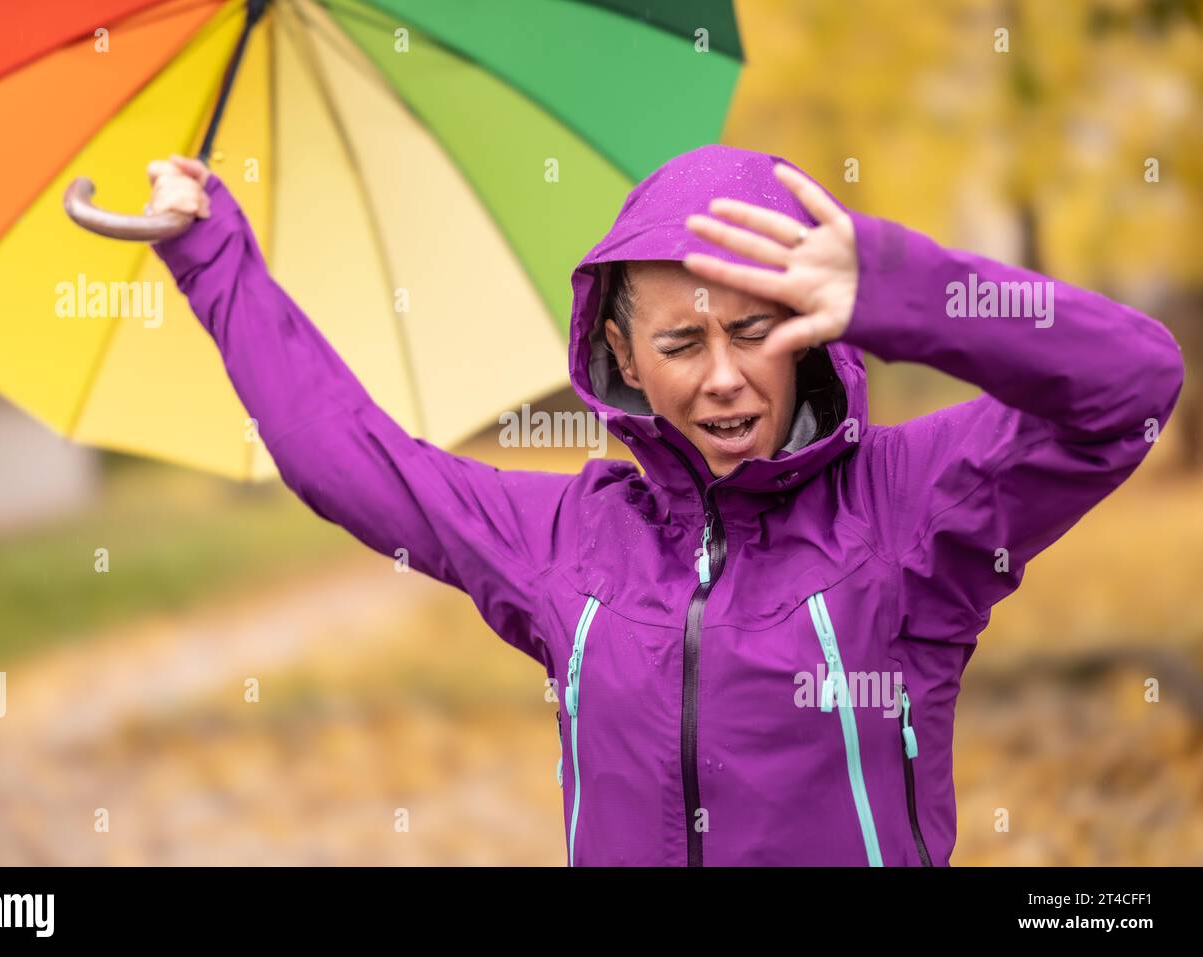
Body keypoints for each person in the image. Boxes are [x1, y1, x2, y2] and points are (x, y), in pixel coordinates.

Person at [147, 144, 1184, 866]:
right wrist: (210, 256)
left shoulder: (913, 508)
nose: (725, 376)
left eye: (758, 330)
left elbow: (1131, 388)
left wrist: (899, 290)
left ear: (816, 328)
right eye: (683, 345)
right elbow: (347, 463)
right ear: (622, 357)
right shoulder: (566, 541)